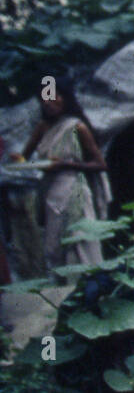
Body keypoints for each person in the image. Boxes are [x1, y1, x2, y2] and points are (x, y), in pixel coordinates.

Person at [18, 78, 107, 275]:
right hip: (50, 191)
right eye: (44, 99)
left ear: (64, 98)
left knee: (80, 239)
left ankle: (86, 286)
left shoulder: (77, 127)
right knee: (54, 244)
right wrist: (18, 159)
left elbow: (100, 164)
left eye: (52, 97)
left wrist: (65, 164)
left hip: (73, 188)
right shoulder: (43, 127)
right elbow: (24, 158)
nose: (48, 102)